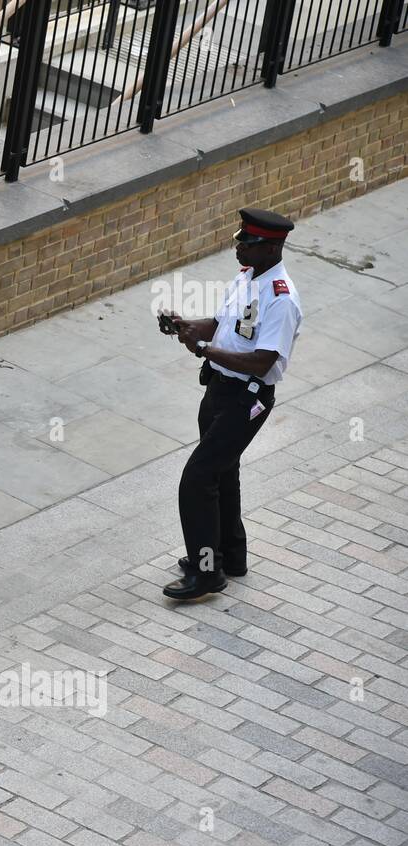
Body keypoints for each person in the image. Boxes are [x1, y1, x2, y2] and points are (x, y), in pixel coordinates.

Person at [159, 208, 303, 600]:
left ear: (273, 247)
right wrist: (188, 325)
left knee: (197, 479)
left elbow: (263, 360)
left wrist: (205, 349)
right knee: (223, 472)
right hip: (220, 390)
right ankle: (231, 556)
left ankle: (206, 572)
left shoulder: (281, 299)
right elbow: (224, 325)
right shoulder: (246, 277)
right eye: (241, 238)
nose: (239, 246)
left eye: (249, 243)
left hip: (248, 399)